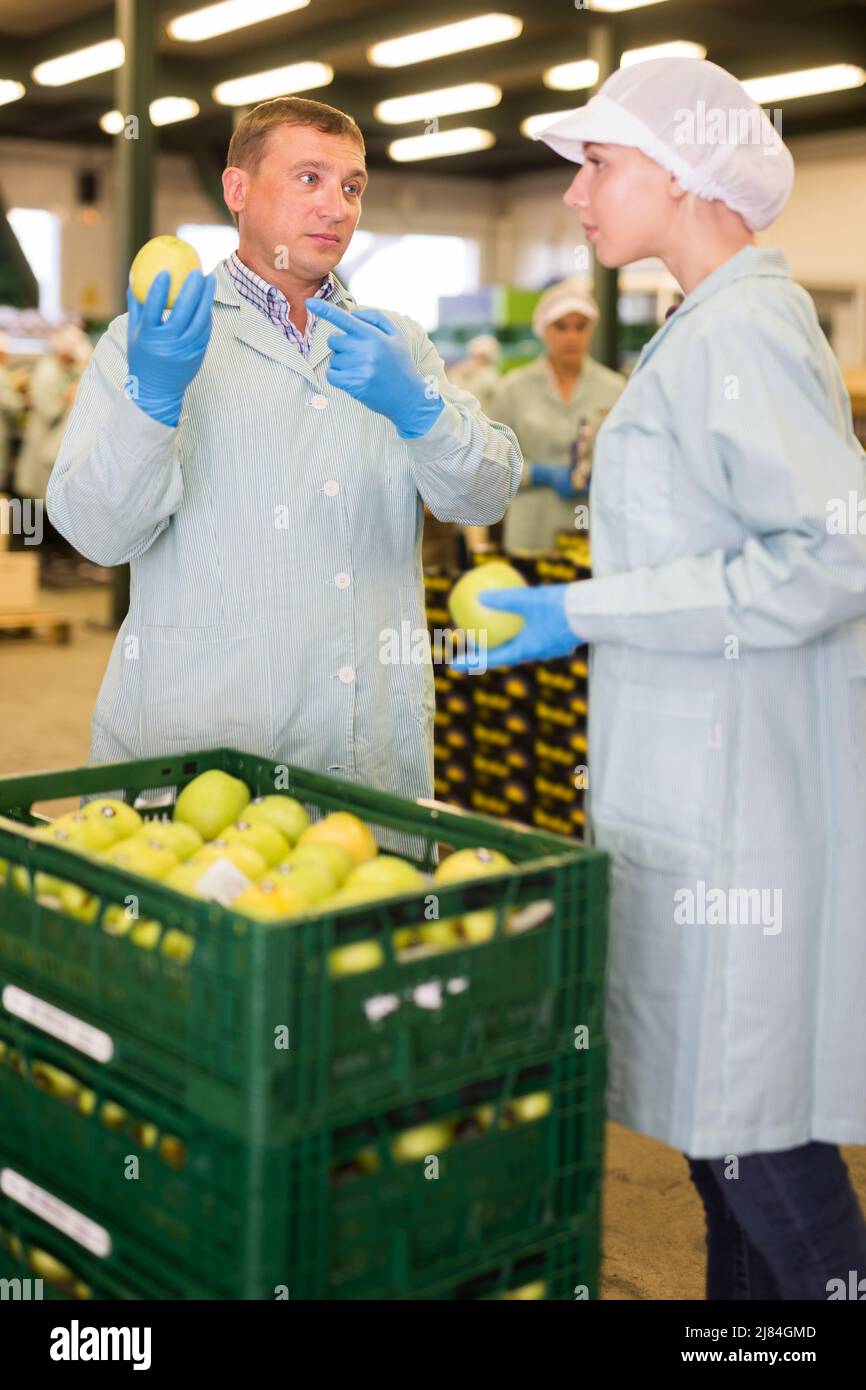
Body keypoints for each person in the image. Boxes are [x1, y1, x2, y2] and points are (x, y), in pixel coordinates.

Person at [454, 56, 866, 1300]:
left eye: (599, 162)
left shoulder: (738, 332)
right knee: (719, 1140)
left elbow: (836, 545)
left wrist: (577, 608)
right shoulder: (704, 325)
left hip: (736, 809)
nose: (576, 194)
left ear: (683, 175)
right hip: (700, 792)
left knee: (751, 1148)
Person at [46, 96, 521, 807]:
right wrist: (153, 401)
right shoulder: (145, 340)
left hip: (368, 747)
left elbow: (483, 494)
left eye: (352, 186)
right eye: (308, 179)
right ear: (237, 191)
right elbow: (99, 534)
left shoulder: (398, 344)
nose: (336, 207)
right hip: (206, 743)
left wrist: (421, 411)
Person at [489, 279, 624, 551]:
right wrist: (538, 473)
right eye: (561, 327)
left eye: (580, 327)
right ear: (543, 330)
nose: (572, 336)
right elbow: (493, 456)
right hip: (530, 528)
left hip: (590, 527)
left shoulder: (614, 388)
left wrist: (605, 474)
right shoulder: (514, 388)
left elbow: (629, 455)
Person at [447, 333, 502, 414]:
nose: (476, 360)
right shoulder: (462, 372)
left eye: (481, 357)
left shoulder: (490, 375)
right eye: (475, 356)